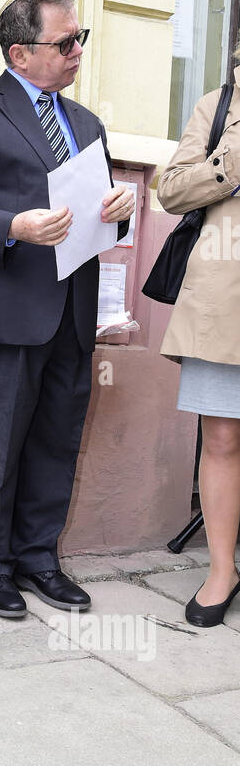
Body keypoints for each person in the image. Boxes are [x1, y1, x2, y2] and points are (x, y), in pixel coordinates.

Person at [0, 0, 133, 619]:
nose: (77, 52)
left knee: (54, 438)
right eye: (65, 42)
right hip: (5, 305)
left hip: (72, 309)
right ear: (19, 53)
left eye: (81, 39)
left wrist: (120, 215)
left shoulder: (87, 123)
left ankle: (38, 557)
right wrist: (12, 227)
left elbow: (96, 214)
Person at [158, 51, 240, 626]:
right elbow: (171, 191)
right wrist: (229, 163)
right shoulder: (217, 109)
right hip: (223, 302)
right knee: (223, 439)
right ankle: (221, 570)